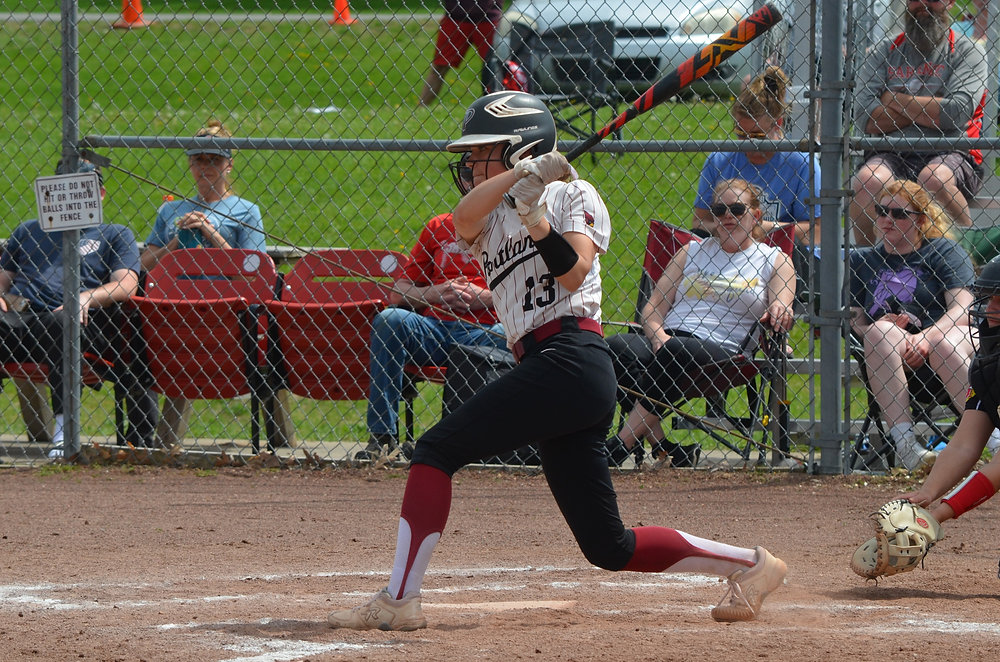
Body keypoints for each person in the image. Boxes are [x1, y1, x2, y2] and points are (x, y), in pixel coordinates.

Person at [326, 91, 787, 631]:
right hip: (545, 368)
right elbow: (464, 216)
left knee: (434, 451)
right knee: (608, 546)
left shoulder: (573, 192)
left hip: (571, 357)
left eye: (481, 152)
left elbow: (573, 273)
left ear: (519, 146)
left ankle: (399, 600)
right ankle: (752, 565)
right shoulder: (489, 218)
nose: (469, 164)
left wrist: (537, 216)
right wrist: (520, 178)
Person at [606, 179, 797, 469]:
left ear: (756, 215)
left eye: (737, 209)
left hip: (725, 351)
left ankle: (621, 444)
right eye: (719, 210)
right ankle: (666, 449)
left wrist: (779, 309)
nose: (727, 216)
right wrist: (658, 337)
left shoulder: (774, 259)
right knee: (614, 347)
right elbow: (653, 308)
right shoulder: (691, 252)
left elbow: (782, 303)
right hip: (669, 340)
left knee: (676, 351)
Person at [853, 257, 1000, 579]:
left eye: (999, 301)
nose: (989, 310)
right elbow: (965, 445)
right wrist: (928, 493)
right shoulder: (989, 366)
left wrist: (936, 517)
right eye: (988, 299)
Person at [138, 118, 267, 449]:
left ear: (229, 165)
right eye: (198, 160)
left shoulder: (246, 211)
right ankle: (144, 436)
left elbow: (254, 273)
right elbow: (144, 264)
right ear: (190, 165)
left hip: (227, 310)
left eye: (214, 160)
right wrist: (175, 244)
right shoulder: (171, 210)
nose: (205, 166)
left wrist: (210, 232)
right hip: (174, 307)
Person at [0, 159, 141, 459]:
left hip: (76, 324)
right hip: (21, 319)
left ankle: (64, 434)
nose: (69, 193)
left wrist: (85, 298)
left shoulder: (114, 234)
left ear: (100, 194)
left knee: (62, 321)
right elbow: (3, 280)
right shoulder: (28, 231)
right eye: (63, 186)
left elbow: (126, 284)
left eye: (80, 187)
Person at [356, 212, 506, 462]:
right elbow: (398, 293)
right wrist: (434, 293)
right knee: (390, 319)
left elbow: (526, 289)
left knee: (514, 336)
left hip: (485, 332)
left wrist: (486, 297)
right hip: (434, 330)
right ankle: (382, 438)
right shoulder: (439, 225)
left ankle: (495, 442)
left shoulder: (512, 227)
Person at [849, 179, 976, 473]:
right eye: (881, 211)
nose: (887, 219)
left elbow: (964, 308)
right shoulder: (862, 260)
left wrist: (927, 338)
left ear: (921, 219)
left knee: (944, 344)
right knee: (879, 331)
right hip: (892, 358)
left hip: (949, 346)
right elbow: (855, 322)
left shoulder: (942, 251)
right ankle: (907, 447)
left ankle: (995, 442)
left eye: (899, 213)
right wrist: (878, 328)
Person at [850, 0, 988, 246]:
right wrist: (934, 106)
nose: (923, 4)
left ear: (949, 2)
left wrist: (893, 98)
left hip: (950, 150)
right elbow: (865, 118)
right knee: (868, 181)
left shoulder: (968, 51)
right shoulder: (884, 50)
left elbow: (955, 113)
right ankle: (868, 265)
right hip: (890, 151)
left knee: (934, 179)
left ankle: (964, 260)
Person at [692, 66, 820, 249]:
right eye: (741, 134)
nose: (748, 144)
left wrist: (755, 226)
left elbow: (816, 232)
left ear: (777, 123)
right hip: (729, 252)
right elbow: (699, 223)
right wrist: (731, 228)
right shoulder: (719, 160)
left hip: (782, 253)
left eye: (757, 136)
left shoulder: (801, 163)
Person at [418, 0, 502, 107]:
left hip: (489, 17)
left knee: (496, 67)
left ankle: (501, 106)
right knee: (439, 66)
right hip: (455, 16)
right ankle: (421, 107)